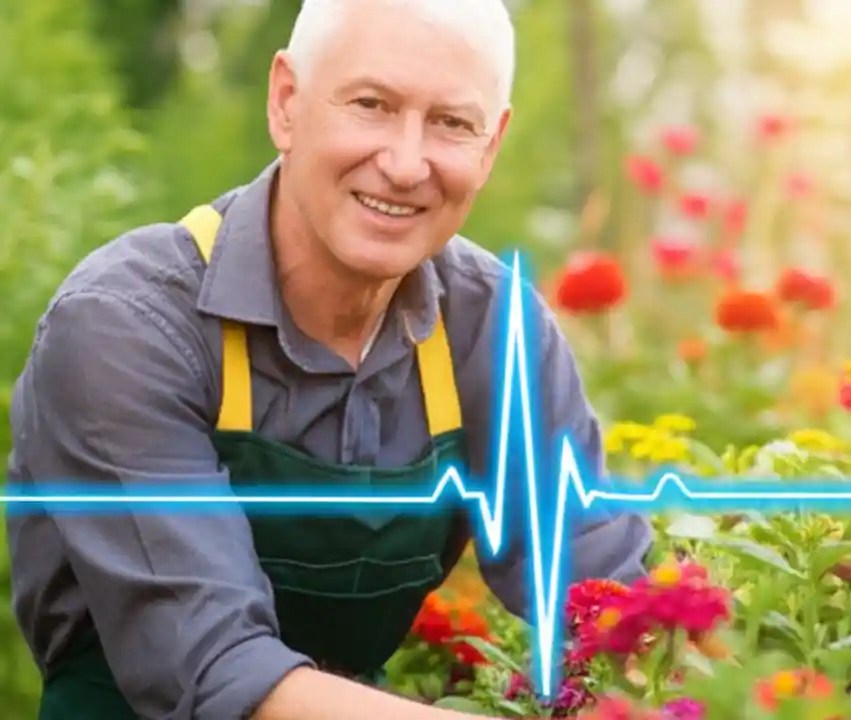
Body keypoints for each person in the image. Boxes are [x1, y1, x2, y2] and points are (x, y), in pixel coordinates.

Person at [4, 0, 653, 717]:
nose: (405, 164)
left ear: (490, 145)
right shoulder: (126, 327)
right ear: (286, 102)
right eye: (371, 105)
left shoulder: (492, 329)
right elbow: (217, 673)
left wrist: (693, 669)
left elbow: (605, 587)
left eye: (451, 123)